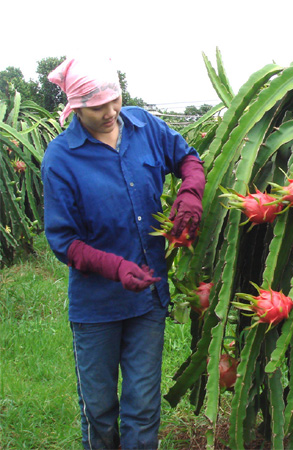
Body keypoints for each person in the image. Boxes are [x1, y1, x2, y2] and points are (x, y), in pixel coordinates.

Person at [41, 57, 205, 450]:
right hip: (97, 307)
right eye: (98, 107)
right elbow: (63, 241)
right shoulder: (61, 160)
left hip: (148, 300)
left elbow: (188, 158)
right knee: (98, 409)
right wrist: (113, 267)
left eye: (115, 99)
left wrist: (190, 192)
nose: (112, 112)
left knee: (144, 406)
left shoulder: (144, 125)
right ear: (76, 108)